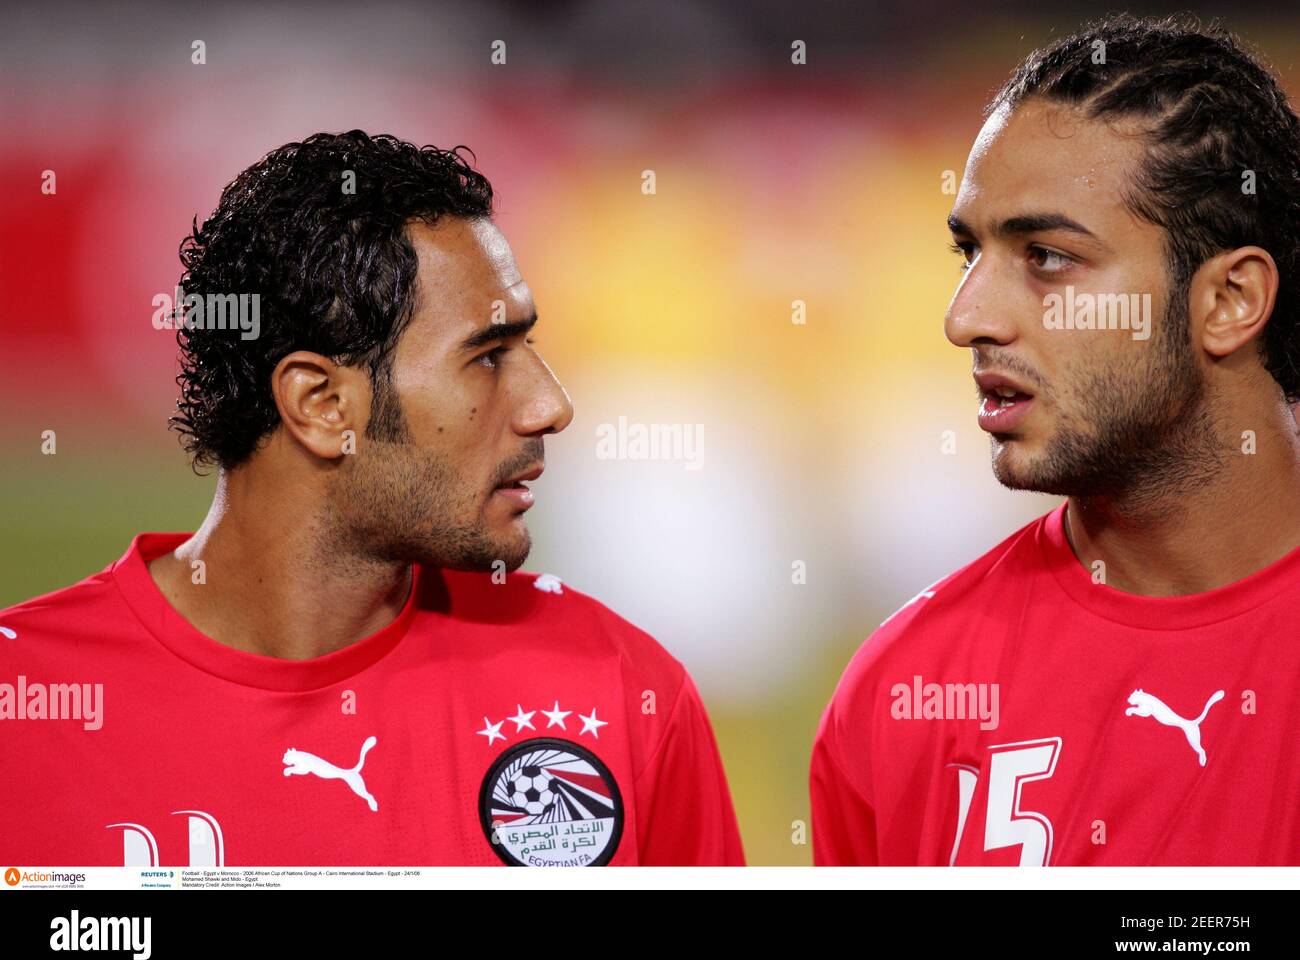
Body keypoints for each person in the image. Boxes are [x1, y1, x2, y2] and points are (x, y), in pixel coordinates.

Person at [0, 131, 743, 867]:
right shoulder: (25, 709)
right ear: (321, 404)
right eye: (488, 357)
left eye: (530, 349)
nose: (549, 405)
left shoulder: (621, 693)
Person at [812, 15, 1300, 865]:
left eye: (1045, 256)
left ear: (1228, 301)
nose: (966, 319)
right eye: (968, 252)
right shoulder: (908, 692)